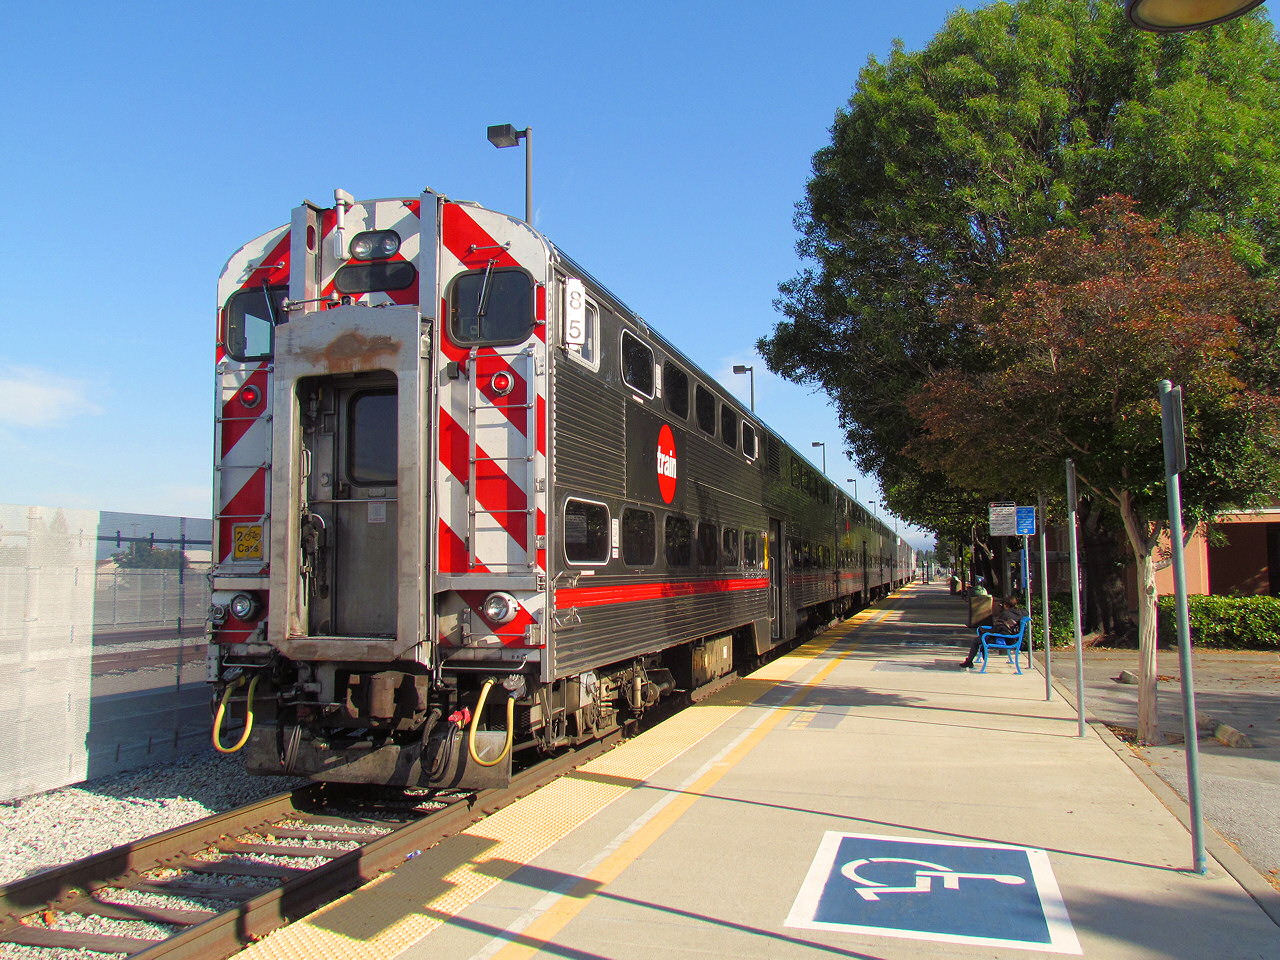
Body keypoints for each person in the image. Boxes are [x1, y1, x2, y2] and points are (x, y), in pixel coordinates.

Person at [960, 594, 1027, 669]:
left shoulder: (1005, 614)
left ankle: (970, 661)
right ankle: (979, 660)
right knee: (982, 639)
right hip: (1013, 639)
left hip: (1004, 639)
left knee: (976, 641)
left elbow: (998, 629)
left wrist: (986, 631)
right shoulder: (1021, 613)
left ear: (1006, 605)